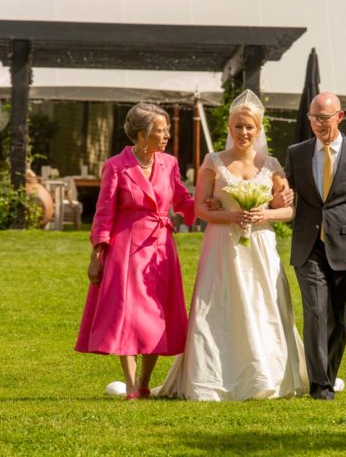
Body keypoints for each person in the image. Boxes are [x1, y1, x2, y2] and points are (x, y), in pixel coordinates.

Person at [155, 89, 308, 401]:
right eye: (238, 126)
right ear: (229, 128)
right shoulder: (213, 163)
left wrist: (265, 213)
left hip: (260, 247)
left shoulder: (272, 165)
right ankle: (211, 375)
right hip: (222, 246)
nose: (244, 132)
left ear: (259, 129)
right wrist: (229, 215)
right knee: (219, 306)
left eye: (250, 126)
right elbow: (199, 209)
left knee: (262, 304)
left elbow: (288, 209)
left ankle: (266, 373)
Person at [74, 102, 195, 400]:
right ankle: (130, 387)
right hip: (125, 250)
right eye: (160, 131)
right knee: (128, 315)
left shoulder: (170, 163)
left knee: (156, 314)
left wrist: (214, 201)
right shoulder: (115, 166)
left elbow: (182, 201)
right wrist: (96, 256)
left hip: (161, 250)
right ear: (142, 135)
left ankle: (144, 382)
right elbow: (103, 214)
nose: (166, 136)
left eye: (167, 130)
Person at [285, 92, 346, 401]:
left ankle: (327, 372)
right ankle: (320, 386)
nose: (317, 124)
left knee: (339, 320)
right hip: (308, 247)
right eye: (313, 118)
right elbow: (282, 193)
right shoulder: (297, 153)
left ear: (340, 117)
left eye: (323, 118)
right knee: (314, 312)